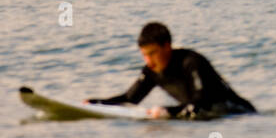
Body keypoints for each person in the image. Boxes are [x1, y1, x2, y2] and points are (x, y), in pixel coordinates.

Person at [87, 22, 256, 120]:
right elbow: (129, 99)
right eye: (145, 55)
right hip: (203, 114)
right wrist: (94, 103)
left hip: (238, 114)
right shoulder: (151, 71)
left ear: (167, 47)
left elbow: (202, 100)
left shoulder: (191, 62)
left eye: (152, 54)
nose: (148, 61)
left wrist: (169, 111)